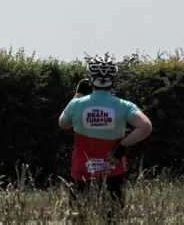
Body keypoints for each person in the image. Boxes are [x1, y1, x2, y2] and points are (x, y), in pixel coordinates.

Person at [59, 57, 153, 209]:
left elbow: (63, 124)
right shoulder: (124, 105)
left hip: (81, 171)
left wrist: (78, 94)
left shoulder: (76, 104)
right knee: (112, 218)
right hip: (113, 171)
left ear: (90, 80)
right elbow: (146, 126)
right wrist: (123, 145)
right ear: (114, 80)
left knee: (79, 218)